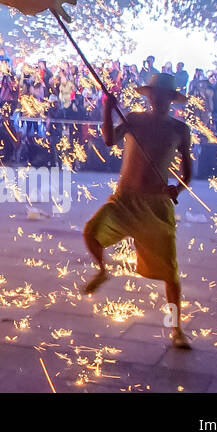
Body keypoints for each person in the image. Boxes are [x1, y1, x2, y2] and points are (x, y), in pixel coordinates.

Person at [82, 72, 194, 350]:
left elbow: (187, 170)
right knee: (91, 233)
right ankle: (102, 270)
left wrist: (176, 190)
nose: (158, 99)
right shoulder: (134, 118)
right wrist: (107, 109)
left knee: (170, 274)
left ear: (171, 99)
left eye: (164, 95)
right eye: (153, 94)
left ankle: (176, 329)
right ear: (149, 96)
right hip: (125, 200)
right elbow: (109, 140)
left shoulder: (180, 130)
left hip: (156, 207)